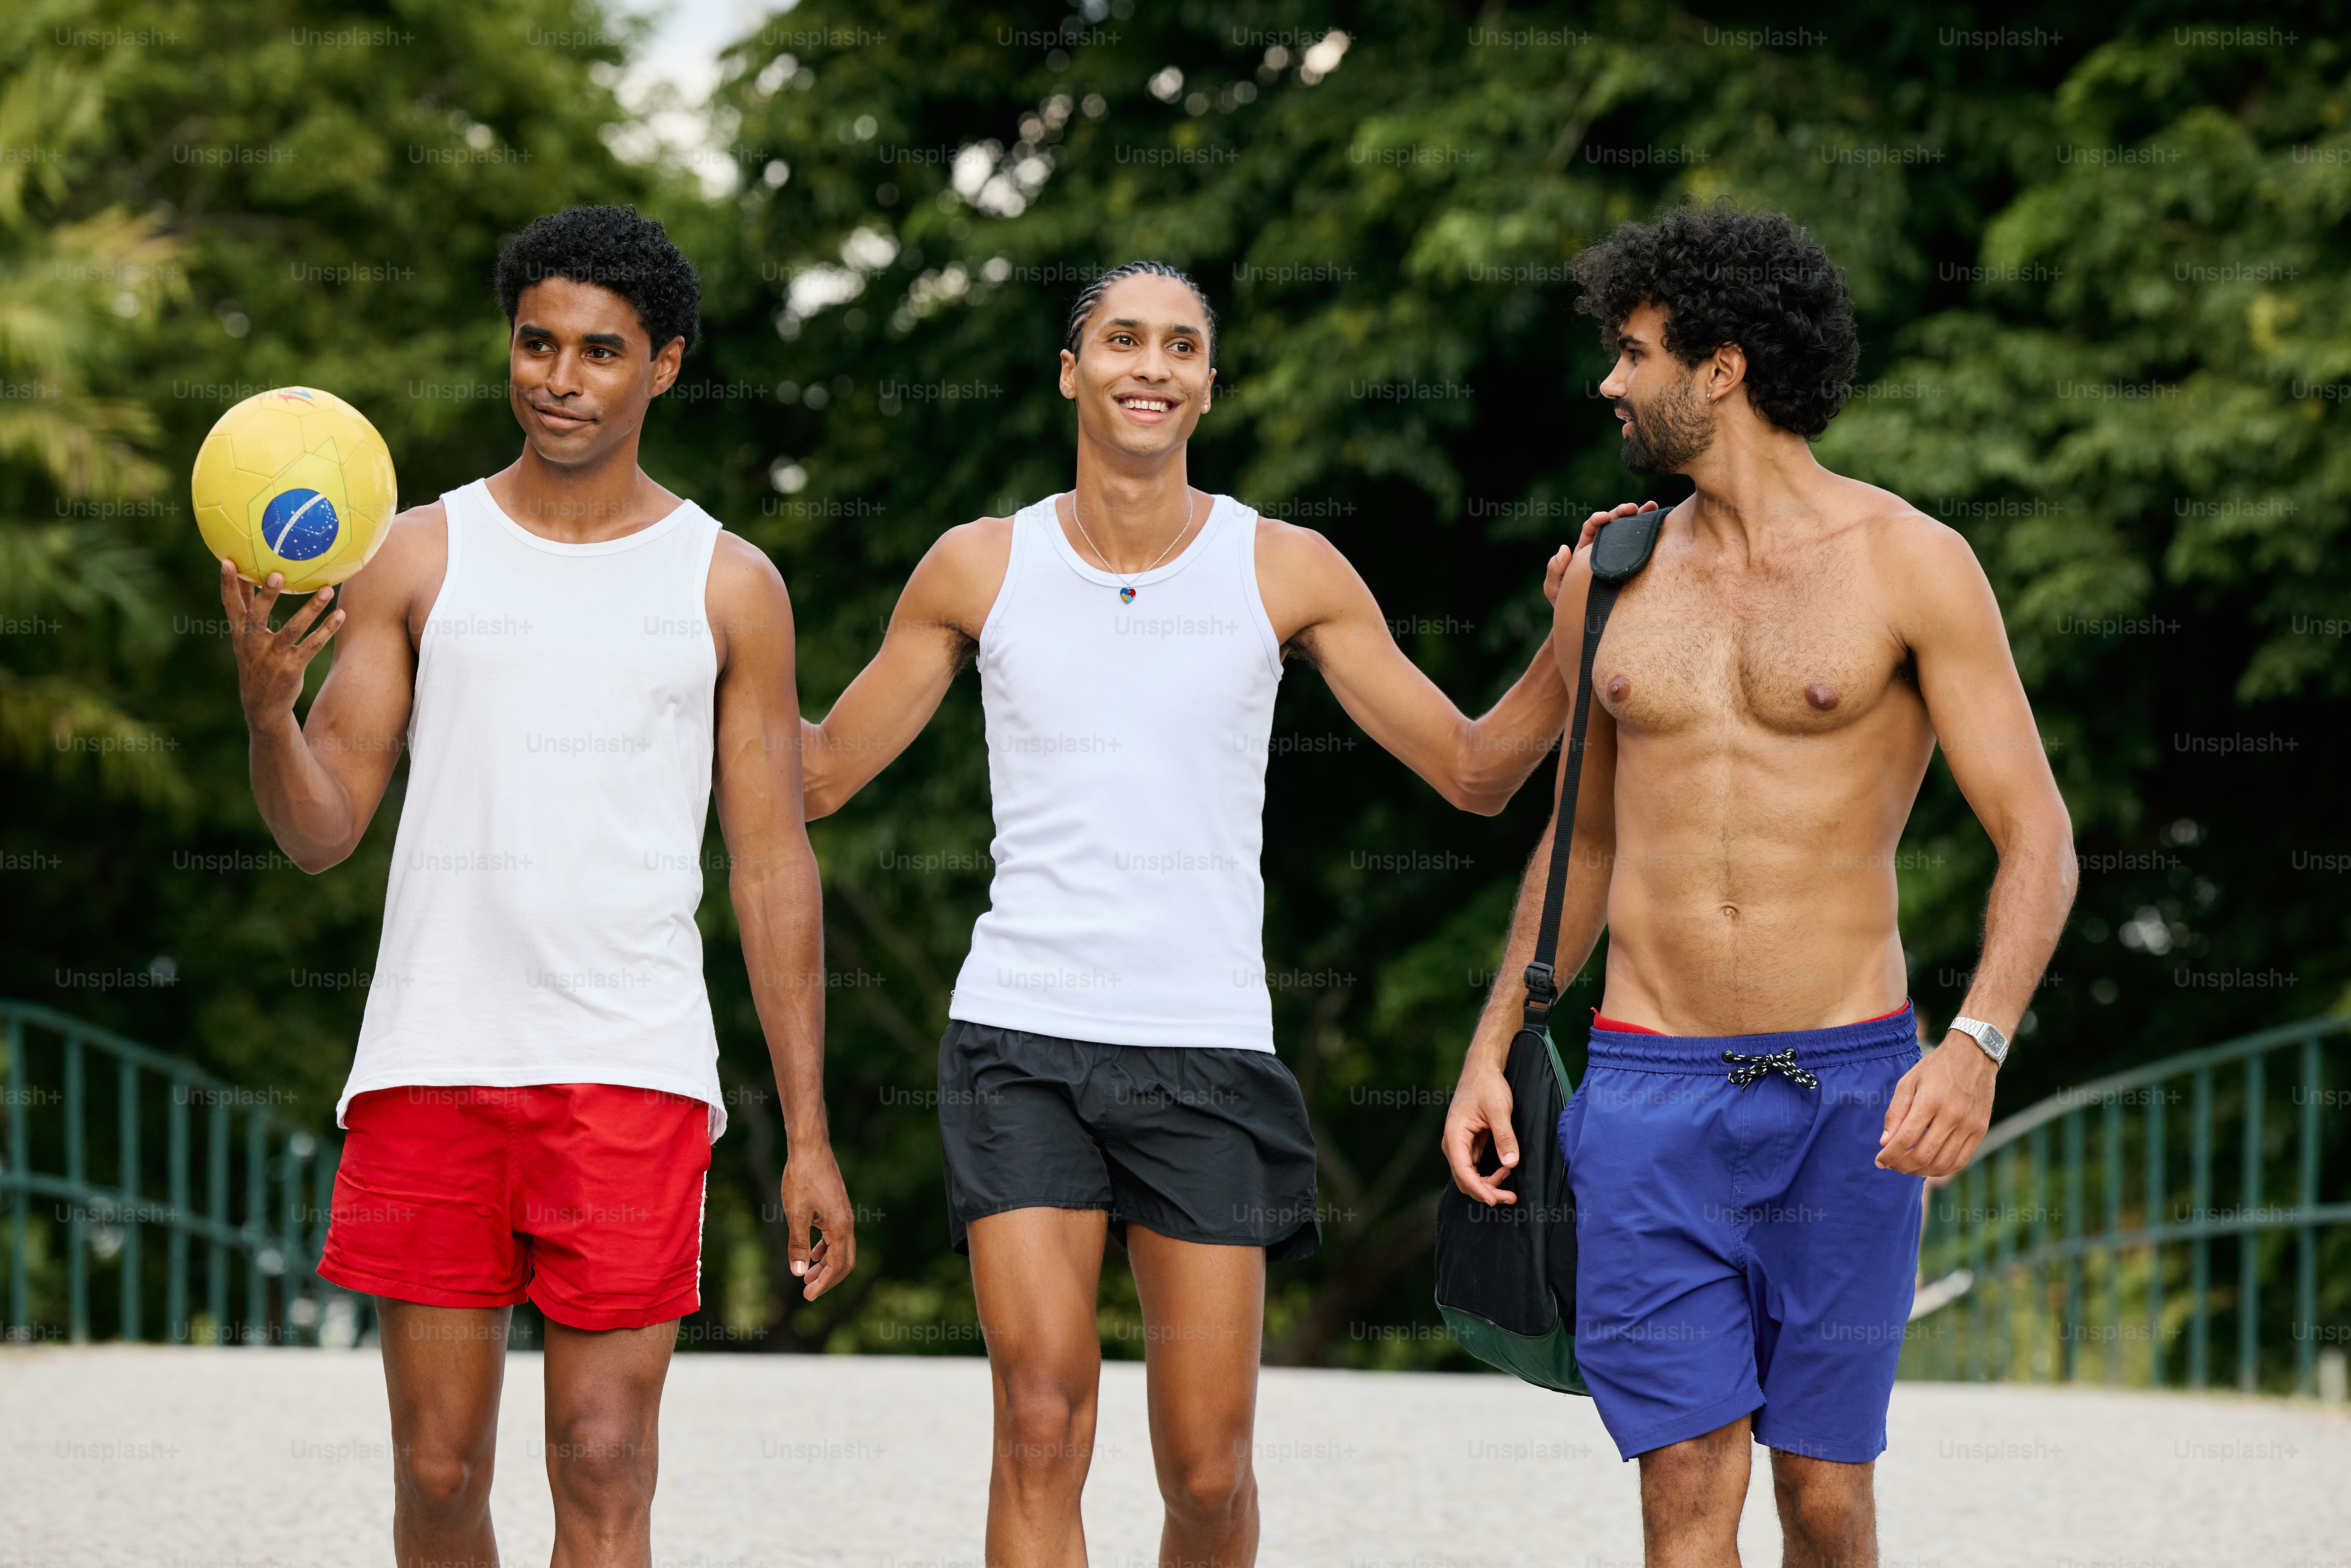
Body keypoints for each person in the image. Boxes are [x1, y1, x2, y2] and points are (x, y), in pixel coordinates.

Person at [800, 260, 1581, 1568]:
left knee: (1208, 1474)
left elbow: (1471, 768)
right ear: (1071, 370)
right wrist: (684, 654)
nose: (1149, 365)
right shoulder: (976, 567)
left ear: (1209, 385)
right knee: (1039, 1416)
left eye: (1179, 346)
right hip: (1018, 1039)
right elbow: (818, 774)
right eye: (1120, 340)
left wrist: (1567, 641)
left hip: (1208, 1049)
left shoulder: (1285, 568)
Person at [1443, 201, 2075, 1568]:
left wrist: (1975, 1046)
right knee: (1682, 1494)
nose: (1612, 381)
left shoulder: (1913, 563)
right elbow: (1580, 839)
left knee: (1827, 1502)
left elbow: (2037, 831)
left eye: (1633, 351)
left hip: (1849, 1090)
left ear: (1718, 368)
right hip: (1648, 1085)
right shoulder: (1608, 578)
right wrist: (1496, 1042)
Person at [221, 205, 855, 1568]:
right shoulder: (416, 552)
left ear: (664, 366)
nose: (561, 378)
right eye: (537, 344)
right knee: (440, 1473)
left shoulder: (731, 584)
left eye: (602, 352)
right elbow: (321, 828)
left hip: (631, 1071)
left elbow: (769, 864)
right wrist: (270, 715)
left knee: (605, 1462)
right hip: (431, 1063)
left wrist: (806, 1131)